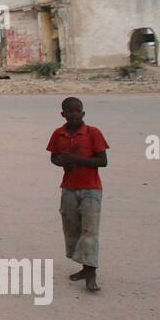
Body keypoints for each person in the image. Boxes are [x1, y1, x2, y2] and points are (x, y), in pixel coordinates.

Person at [46, 97, 109, 292]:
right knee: (72, 228)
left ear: (83, 113)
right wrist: (62, 162)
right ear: (63, 114)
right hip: (69, 188)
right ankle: (84, 267)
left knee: (90, 230)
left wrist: (76, 159)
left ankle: (91, 274)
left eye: (77, 111)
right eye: (70, 111)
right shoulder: (59, 134)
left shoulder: (93, 133)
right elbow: (53, 157)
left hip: (91, 189)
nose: (74, 114)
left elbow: (102, 161)